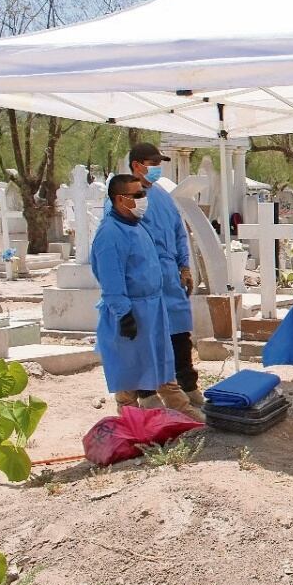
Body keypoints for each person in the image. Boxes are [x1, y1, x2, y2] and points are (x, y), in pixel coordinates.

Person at [91, 175, 197, 419]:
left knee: (160, 362)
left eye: (143, 194)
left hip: (153, 308)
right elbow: (111, 279)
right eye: (137, 195)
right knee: (130, 369)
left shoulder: (136, 226)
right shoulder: (110, 234)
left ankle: (181, 410)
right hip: (132, 311)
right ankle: (130, 419)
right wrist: (124, 314)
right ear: (120, 199)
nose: (143, 199)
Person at [127, 143, 204, 410]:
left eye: (159, 164)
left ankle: (188, 386)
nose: (157, 169)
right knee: (147, 335)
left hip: (170, 277)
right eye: (153, 164)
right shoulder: (125, 197)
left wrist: (184, 266)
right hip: (143, 276)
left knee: (180, 334)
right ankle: (147, 393)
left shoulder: (161, 196)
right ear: (137, 165)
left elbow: (178, 231)